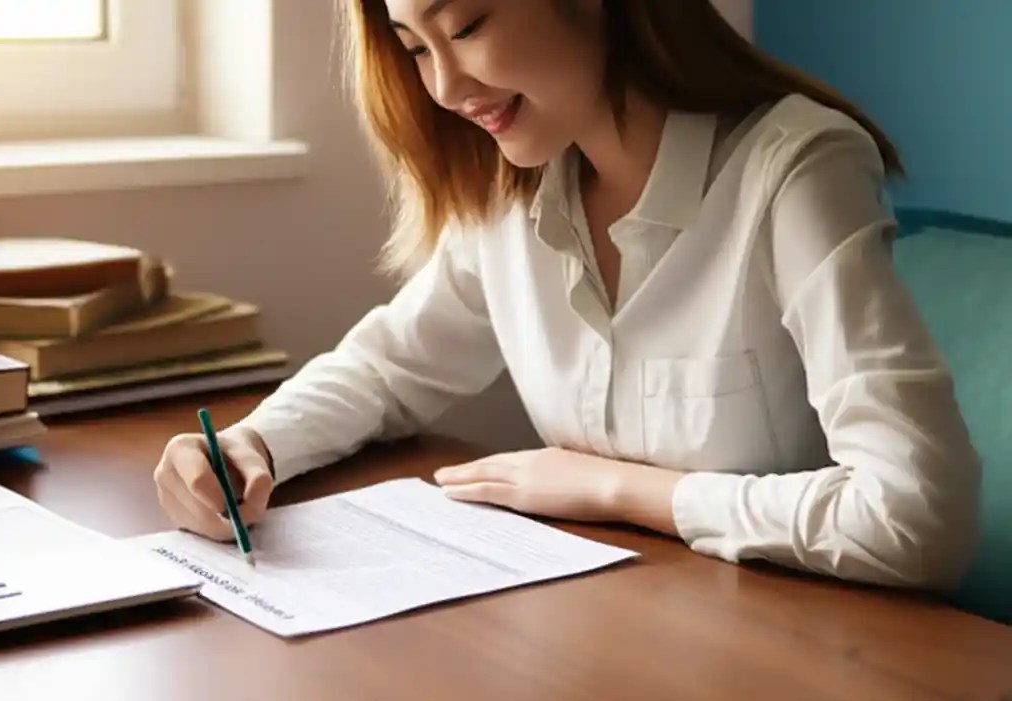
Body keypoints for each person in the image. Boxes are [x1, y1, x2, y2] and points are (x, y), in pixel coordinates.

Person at [153, 0, 981, 589]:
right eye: (413, 46)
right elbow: (388, 369)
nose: (442, 87)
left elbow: (916, 521)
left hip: (806, 642)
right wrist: (253, 446)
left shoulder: (795, 168)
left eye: (467, 27)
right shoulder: (513, 189)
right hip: (609, 622)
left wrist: (615, 488)